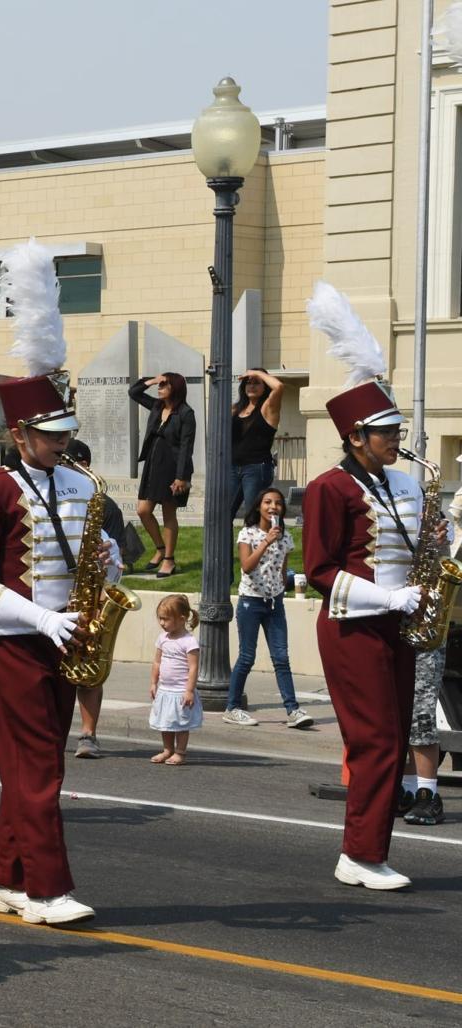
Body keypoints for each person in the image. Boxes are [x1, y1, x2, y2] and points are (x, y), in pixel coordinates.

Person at [0, 238, 119, 926]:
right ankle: (48, 892)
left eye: (65, 433)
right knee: (39, 774)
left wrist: (107, 562)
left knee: (35, 767)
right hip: (17, 646)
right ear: (22, 434)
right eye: (52, 435)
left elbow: (89, 553)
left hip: (67, 638)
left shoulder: (79, 484)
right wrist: (40, 617)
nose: (64, 443)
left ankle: (7, 880)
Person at [302, 280, 448, 891]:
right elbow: (318, 571)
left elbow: (421, 546)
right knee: (374, 741)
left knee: (395, 739)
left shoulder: (404, 483)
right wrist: (387, 597)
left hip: (399, 623)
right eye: (387, 432)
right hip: (354, 624)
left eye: (396, 429)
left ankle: (370, 850)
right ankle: (359, 854)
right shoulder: (329, 489)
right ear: (356, 436)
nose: (398, 439)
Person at [223, 488, 314, 729]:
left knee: (281, 658)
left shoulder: (285, 538)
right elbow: (246, 566)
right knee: (246, 657)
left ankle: (293, 710)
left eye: (278, 503)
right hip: (250, 602)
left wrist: (284, 588)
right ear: (258, 507)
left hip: (275, 603)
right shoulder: (247, 534)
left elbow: (283, 571)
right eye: (267, 502)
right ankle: (232, 708)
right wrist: (266, 541)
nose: (273, 507)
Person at [63, 436, 126, 760]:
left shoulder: (102, 502)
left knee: (88, 666)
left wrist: (110, 556)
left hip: (91, 595)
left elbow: (117, 561)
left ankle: (88, 733)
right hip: (54, 596)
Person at [129, 372, 196, 579]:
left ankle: (168, 559)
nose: (160, 387)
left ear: (175, 387)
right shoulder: (157, 406)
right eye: (160, 384)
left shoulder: (185, 413)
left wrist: (181, 477)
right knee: (143, 510)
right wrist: (151, 381)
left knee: (169, 514)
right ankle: (159, 548)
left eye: (164, 384)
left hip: (173, 468)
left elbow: (186, 446)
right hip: (153, 464)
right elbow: (134, 392)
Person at [148, 594, 202, 765]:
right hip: (165, 689)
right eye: (160, 619)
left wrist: (189, 690)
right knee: (166, 722)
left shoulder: (189, 641)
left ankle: (180, 752)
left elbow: (193, 667)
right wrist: (154, 682)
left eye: (166, 619)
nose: (162, 623)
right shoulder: (162, 638)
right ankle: (167, 749)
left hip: (180, 690)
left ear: (181, 619)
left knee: (181, 723)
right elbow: (157, 662)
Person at [401, 646, 447, 826]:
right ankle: (409, 790)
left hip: (426, 641)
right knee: (402, 716)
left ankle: (429, 795)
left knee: (422, 720)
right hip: (399, 635)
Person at [231, 368, 284, 519]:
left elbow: (279, 386)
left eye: (256, 383)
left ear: (265, 386)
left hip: (257, 468)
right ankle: (232, 544)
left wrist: (257, 372)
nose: (251, 386)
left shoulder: (268, 407)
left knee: (252, 514)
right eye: (248, 382)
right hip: (233, 468)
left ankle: (262, 542)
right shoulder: (235, 409)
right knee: (225, 513)